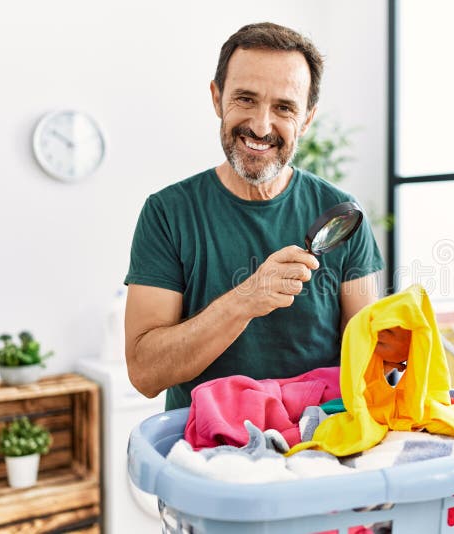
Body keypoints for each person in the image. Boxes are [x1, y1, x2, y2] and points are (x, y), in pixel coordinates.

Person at [124, 22, 385, 410]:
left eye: (284, 107)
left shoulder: (341, 211)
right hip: (207, 450)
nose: (261, 126)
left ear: (307, 118)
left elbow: (368, 362)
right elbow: (145, 374)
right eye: (245, 99)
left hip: (320, 445)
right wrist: (247, 299)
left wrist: (395, 347)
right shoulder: (167, 214)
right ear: (217, 98)